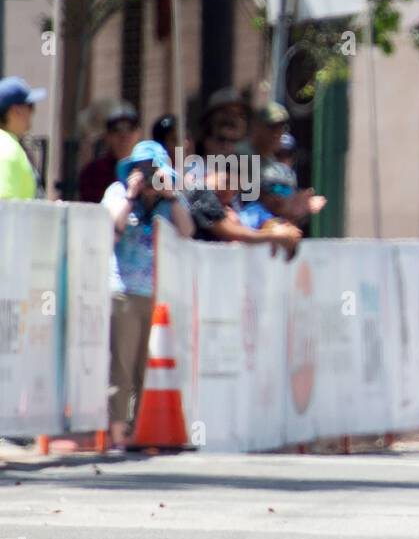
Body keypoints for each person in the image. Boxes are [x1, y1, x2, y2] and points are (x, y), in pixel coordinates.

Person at [101, 141, 194, 450]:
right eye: (147, 173)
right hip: (123, 292)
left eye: (157, 174)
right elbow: (111, 227)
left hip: (157, 296)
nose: (152, 182)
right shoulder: (117, 194)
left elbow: (187, 230)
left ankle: (140, 430)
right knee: (122, 367)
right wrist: (131, 195)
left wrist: (171, 196)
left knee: (146, 369)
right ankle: (116, 434)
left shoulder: (170, 203)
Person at [188, 163, 302, 256]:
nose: (228, 191)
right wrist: (274, 236)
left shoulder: (225, 206)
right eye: (226, 182)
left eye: (234, 190)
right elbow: (231, 232)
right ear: (212, 172)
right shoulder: (202, 193)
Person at [78, 102, 141, 204]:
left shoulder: (147, 166)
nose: (124, 136)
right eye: (116, 130)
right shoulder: (93, 172)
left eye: (130, 128)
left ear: (138, 133)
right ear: (107, 136)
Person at [0, 77, 45, 201]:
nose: (33, 112)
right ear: (16, 111)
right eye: (31, 106)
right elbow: (4, 204)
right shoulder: (6, 148)